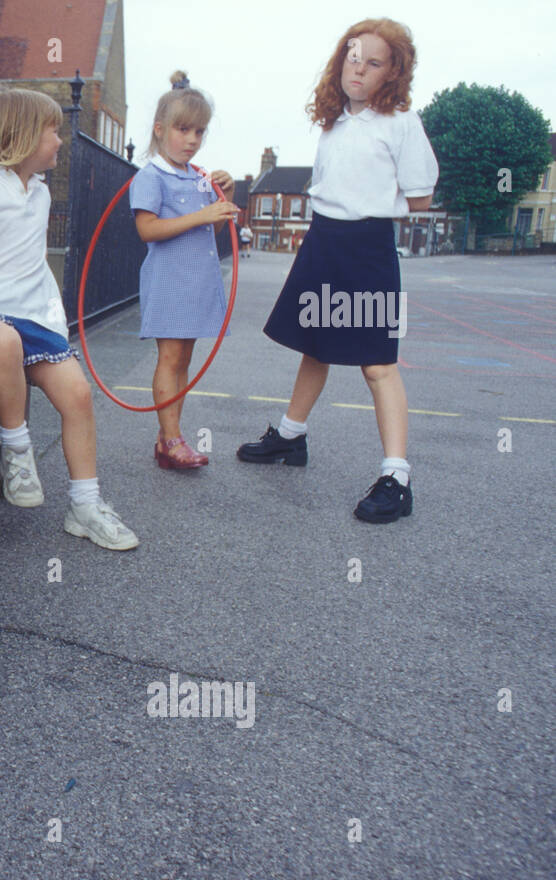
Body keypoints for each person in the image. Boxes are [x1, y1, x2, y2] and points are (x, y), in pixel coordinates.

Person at [236, 18, 438, 523]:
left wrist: (371, 206)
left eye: (374, 63)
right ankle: (291, 436)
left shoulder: (402, 122)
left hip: (368, 245)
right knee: (315, 345)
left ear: (392, 73)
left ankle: (397, 477)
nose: (360, 69)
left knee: (377, 364)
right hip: (323, 239)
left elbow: (421, 196)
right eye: (354, 57)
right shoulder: (332, 118)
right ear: (340, 59)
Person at [0, 87, 139, 550]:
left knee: (79, 394)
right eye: (54, 131)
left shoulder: (42, 193)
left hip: (33, 322)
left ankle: (85, 506)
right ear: (24, 136)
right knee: (5, 342)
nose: (60, 141)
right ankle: (16, 451)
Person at [129, 70, 238, 469]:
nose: (192, 139)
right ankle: (172, 439)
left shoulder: (199, 178)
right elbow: (147, 230)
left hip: (197, 283)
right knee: (170, 360)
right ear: (160, 130)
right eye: (183, 129)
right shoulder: (151, 175)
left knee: (184, 361)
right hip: (170, 283)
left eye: (200, 132)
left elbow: (215, 225)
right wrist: (202, 214)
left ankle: (167, 438)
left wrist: (226, 197)